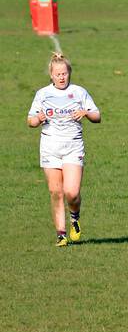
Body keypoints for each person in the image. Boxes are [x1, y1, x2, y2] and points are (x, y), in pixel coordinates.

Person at [28, 52, 100, 246]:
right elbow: (31, 120)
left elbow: (97, 116)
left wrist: (85, 112)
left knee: (72, 192)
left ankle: (74, 218)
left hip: (73, 146)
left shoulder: (79, 92)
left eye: (64, 73)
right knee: (56, 191)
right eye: (57, 74)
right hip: (50, 147)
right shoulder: (42, 94)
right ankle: (61, 235)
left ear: (69, 73)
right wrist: (38, 119)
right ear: (51, 75)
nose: (61, 77)